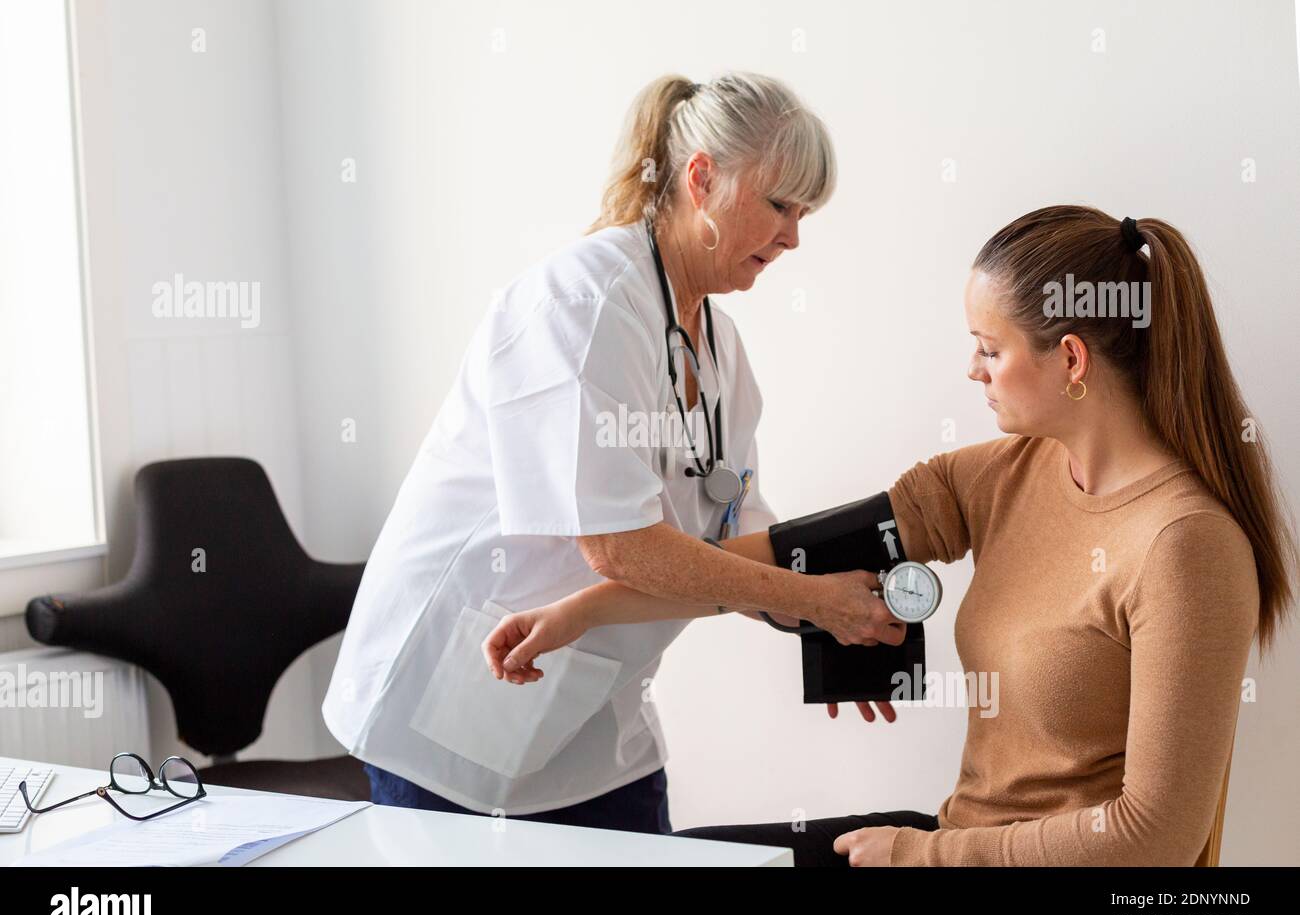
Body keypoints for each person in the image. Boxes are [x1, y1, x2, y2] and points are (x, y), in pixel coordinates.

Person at [484, 205, 1297, 864]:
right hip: (950, 841)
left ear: (1073, 360)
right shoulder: (1005, 474)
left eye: (989, 348)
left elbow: (1158, 839)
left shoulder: (1188, 546)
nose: (972, 370)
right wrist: (585, 610)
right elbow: (786, 559)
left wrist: (927, 856)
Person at [321, 72, 893, 834]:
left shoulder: (719, 344)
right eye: (780, 205)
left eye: (804, 212)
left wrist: (831, 622)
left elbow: (737, 531)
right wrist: (812, 600)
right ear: (702, 179)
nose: (793, 236)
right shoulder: (582, 305)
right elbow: (618, 546)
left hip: (595, 707)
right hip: (461, 688)